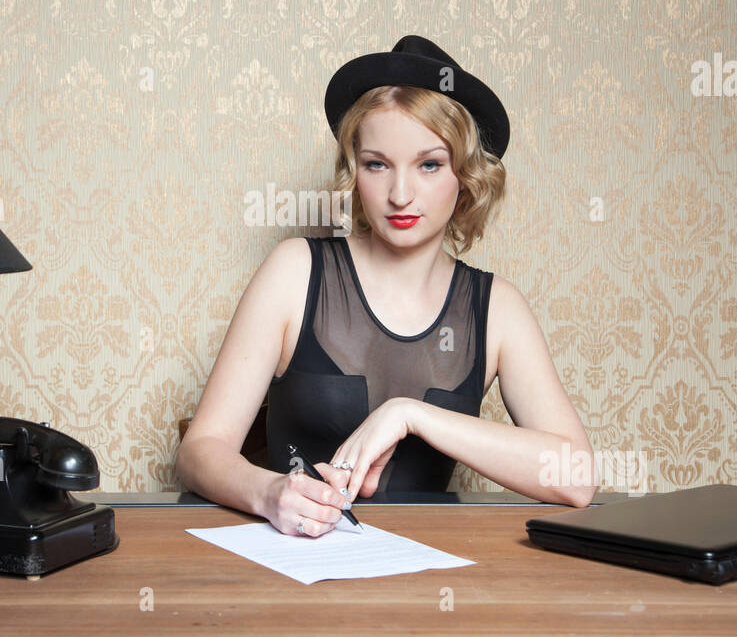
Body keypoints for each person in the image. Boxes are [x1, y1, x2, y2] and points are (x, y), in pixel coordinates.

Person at [176, 35, 596, 537]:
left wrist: (411, 416)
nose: (400, 194)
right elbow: (199, 451)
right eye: (378, 164)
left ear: (466, 175)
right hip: (296, 573)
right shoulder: (295, 270)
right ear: (356, 171)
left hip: (431, 583)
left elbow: (577, 479)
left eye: (429, 164)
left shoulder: (496, 308)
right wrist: (268, 494)